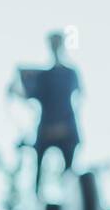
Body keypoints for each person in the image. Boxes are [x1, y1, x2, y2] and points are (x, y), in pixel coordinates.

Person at [14, 31, 83, 197]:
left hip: (66, 128)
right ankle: (36, 204)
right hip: (47, 128)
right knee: (37, 175)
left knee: (70, 177)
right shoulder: (44, 76)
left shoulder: (70, 73)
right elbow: (29, 96)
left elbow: (80, 97)